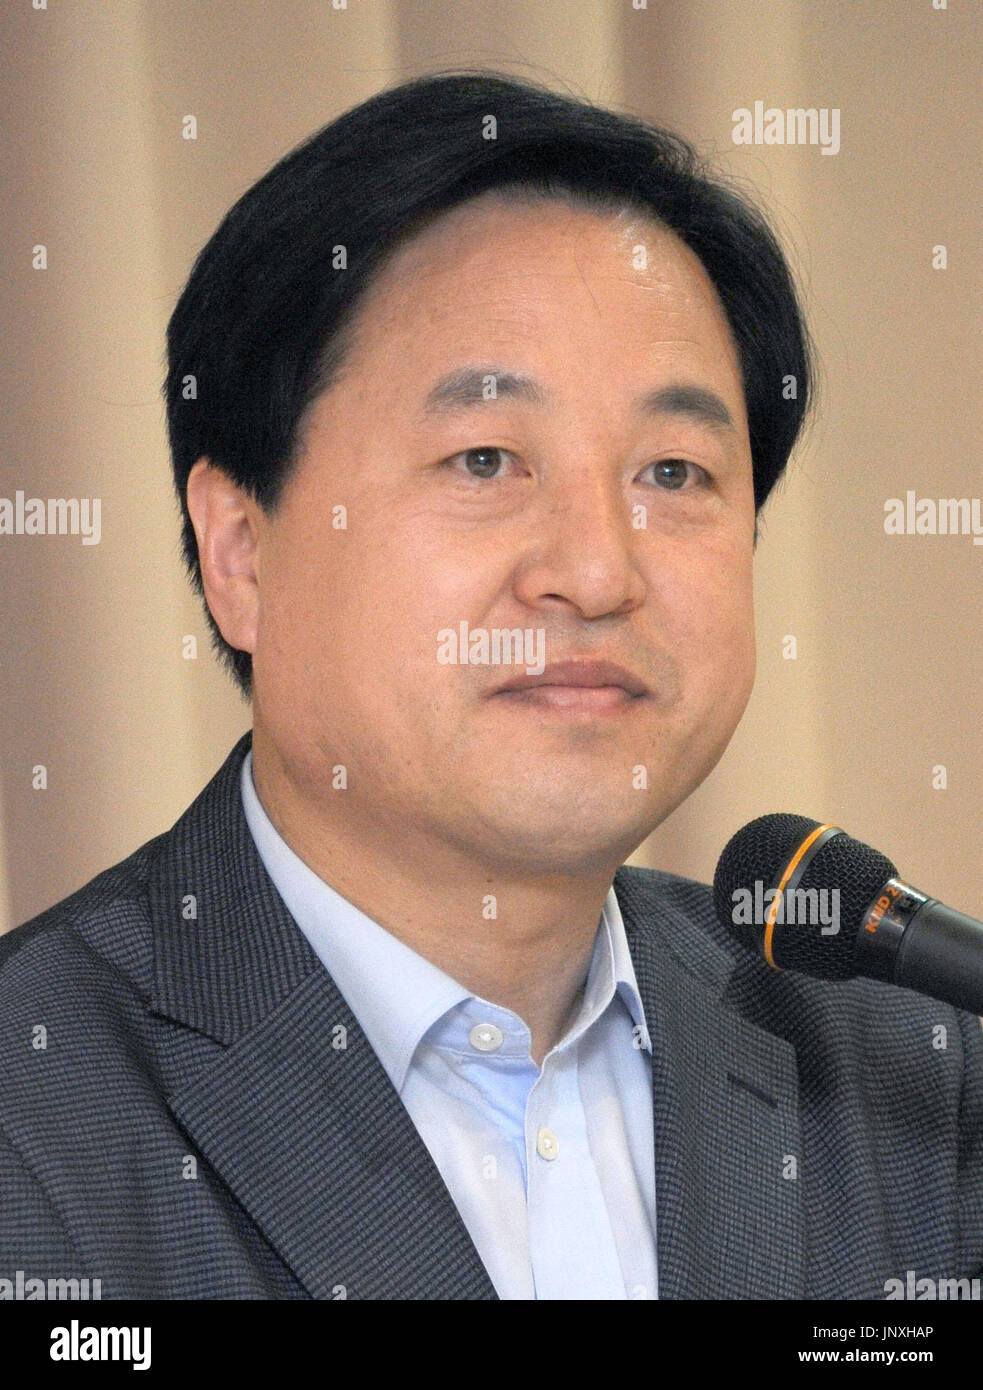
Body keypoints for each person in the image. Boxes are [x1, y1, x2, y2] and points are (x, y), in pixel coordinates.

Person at [1, 70, 980, 1302]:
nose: (593, 569)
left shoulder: (919, 1077)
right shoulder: (32, 1113)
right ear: (240, 550)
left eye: (672, 473)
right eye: (483, 458)